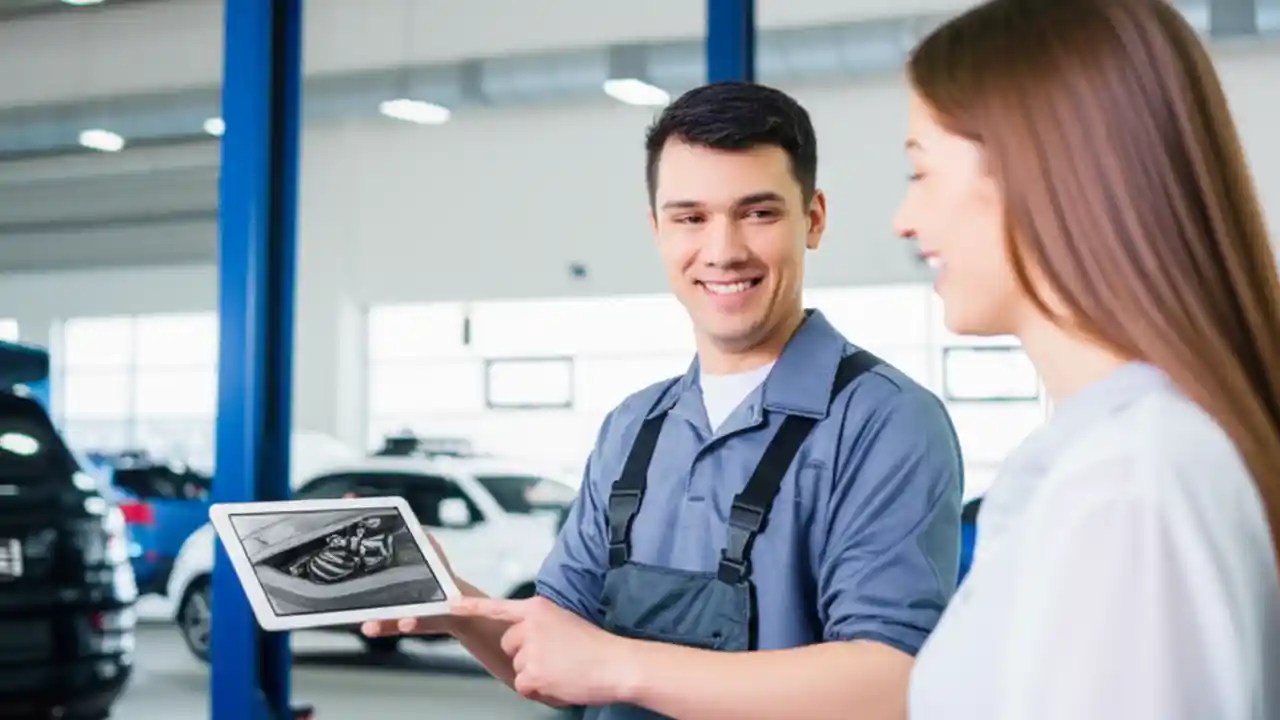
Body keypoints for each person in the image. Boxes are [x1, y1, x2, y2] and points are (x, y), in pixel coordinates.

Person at [364, 82, 965, 718]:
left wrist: (619, 665)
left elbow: (890, 683)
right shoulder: (633, 428)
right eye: (690, 217)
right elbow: (558, 655)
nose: (723, 250)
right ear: (657, 230)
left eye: (758, 213)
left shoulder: (887, 422)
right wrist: (455, 606)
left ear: (812, 219)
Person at [893, 0, 1280, 717]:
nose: (904, 220)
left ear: (1032, 172)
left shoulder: (1129, 487)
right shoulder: (1127, 463)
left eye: (921, 173)